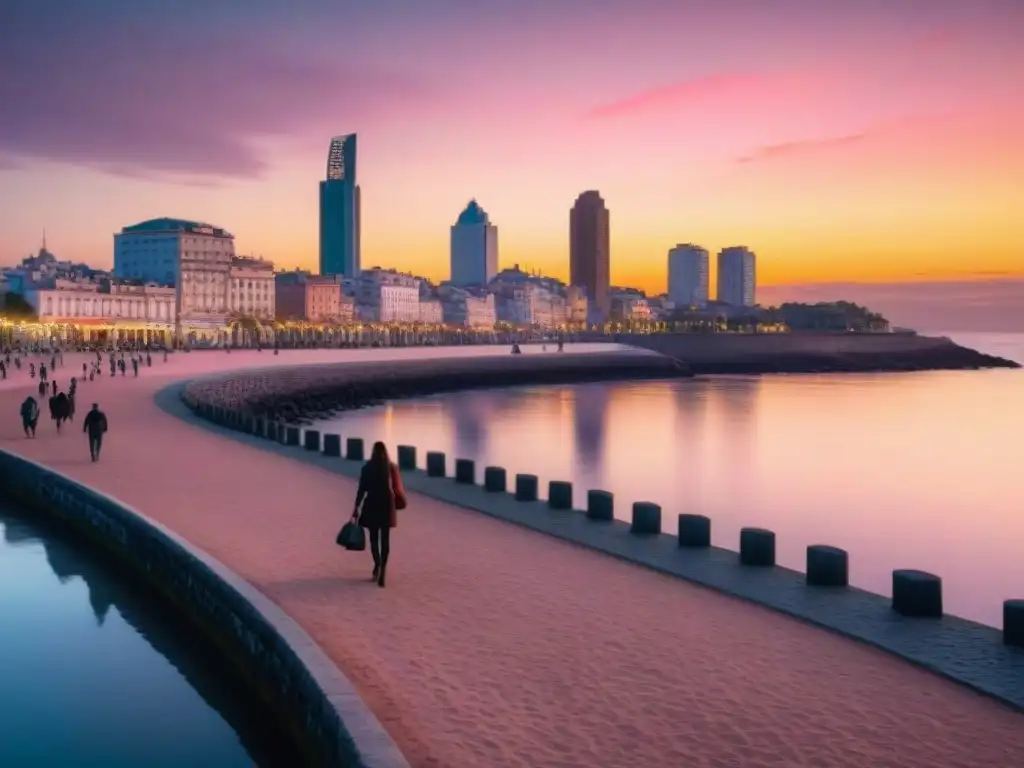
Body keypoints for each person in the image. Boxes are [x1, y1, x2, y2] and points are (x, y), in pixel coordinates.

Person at [352, 441, 406, 588]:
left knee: (374, 538)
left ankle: (377, 565)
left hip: (372, 504)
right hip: (387, 505)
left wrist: (356, 507)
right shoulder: (391, 467)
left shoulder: (367, 468)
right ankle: (383, 568)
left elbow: (361, 490)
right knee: (385, 539)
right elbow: (398, 488)